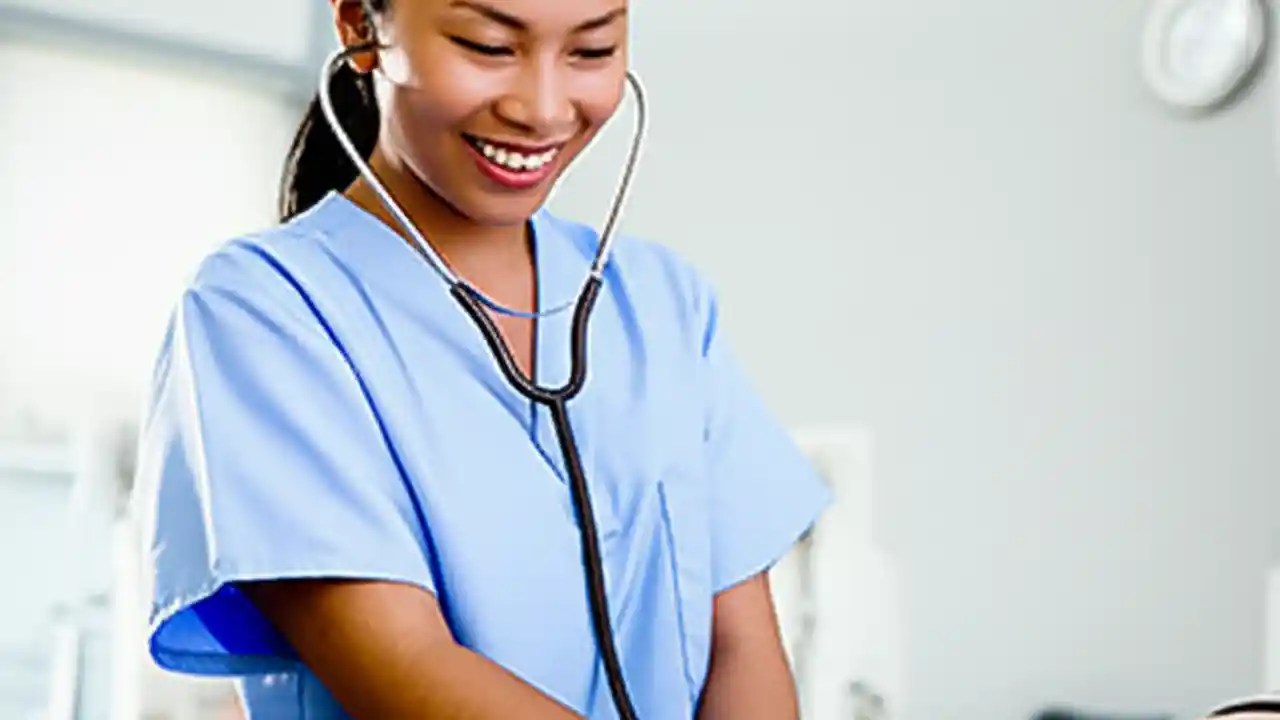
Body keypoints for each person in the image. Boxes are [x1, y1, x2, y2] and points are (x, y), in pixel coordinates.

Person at [132, 0, 832, 718]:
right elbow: (405, 667)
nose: (543, 109)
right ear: (360, 26)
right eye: (489, 46)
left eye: (591, 51)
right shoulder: (264, 309)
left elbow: (743, 645)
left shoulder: (665, 303)